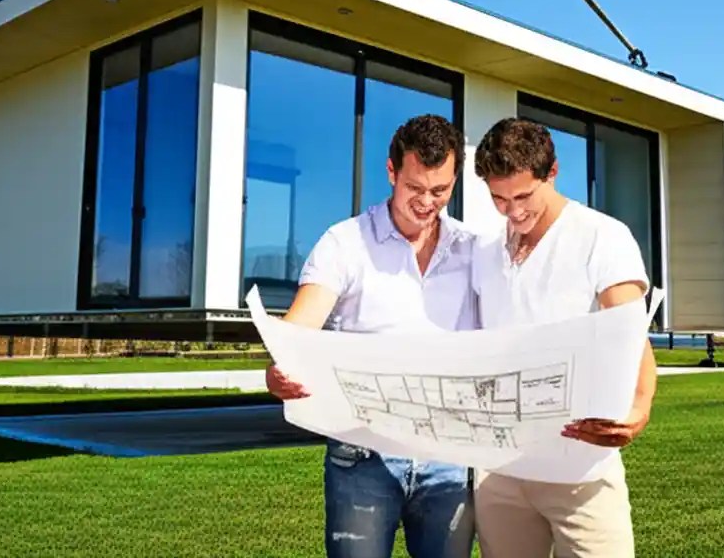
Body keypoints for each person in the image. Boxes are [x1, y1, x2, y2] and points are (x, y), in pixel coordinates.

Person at [263, 113, 478, 558]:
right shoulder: (345, 243)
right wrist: (281, 370)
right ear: (391, 172)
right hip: (364, 455)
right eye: (415, 187)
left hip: (449, 456)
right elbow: (298, 331)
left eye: (440, 190)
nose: (427, 202)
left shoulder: (473, 249)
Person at [469, 117, 657, 558]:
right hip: (500, 472)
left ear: (551, 172)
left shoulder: (602, 236)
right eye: (499, 198)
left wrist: (639, 406)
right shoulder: (485, 250)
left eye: (523, 196)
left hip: (580, 470)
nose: (513, 212)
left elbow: (630, 331)